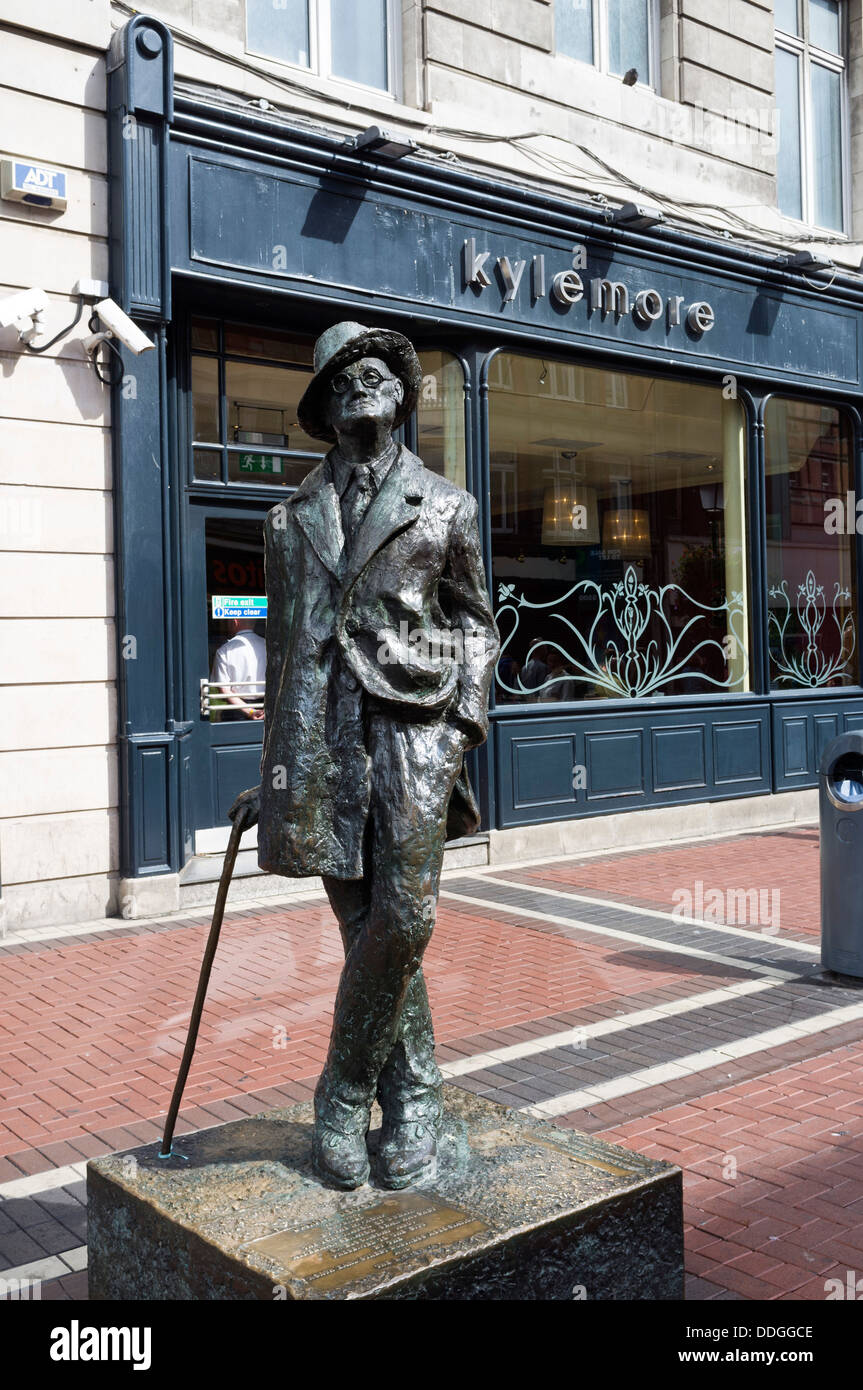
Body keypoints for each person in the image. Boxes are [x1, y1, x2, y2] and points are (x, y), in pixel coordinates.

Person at [229, 321, 499, 1191]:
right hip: (319, 744)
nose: (361, 383)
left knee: (405, 919)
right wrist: (276, 774)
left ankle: (341, 1095)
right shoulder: (288, 516)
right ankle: (416, 1099)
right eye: (342, 377)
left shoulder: (445, 504)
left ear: (401, 394)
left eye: (377, 372)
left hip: (416, 729)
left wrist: (461, 725)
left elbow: (476, 624)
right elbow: (289, 649)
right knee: (361, 928)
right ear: (322, 405)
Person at [210, 618, 266, 720]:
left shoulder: (225, 650)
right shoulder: (268, 646)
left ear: (234, 622)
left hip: (237, 711)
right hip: (266, 709)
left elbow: (223, 689)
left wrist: (251, 711)